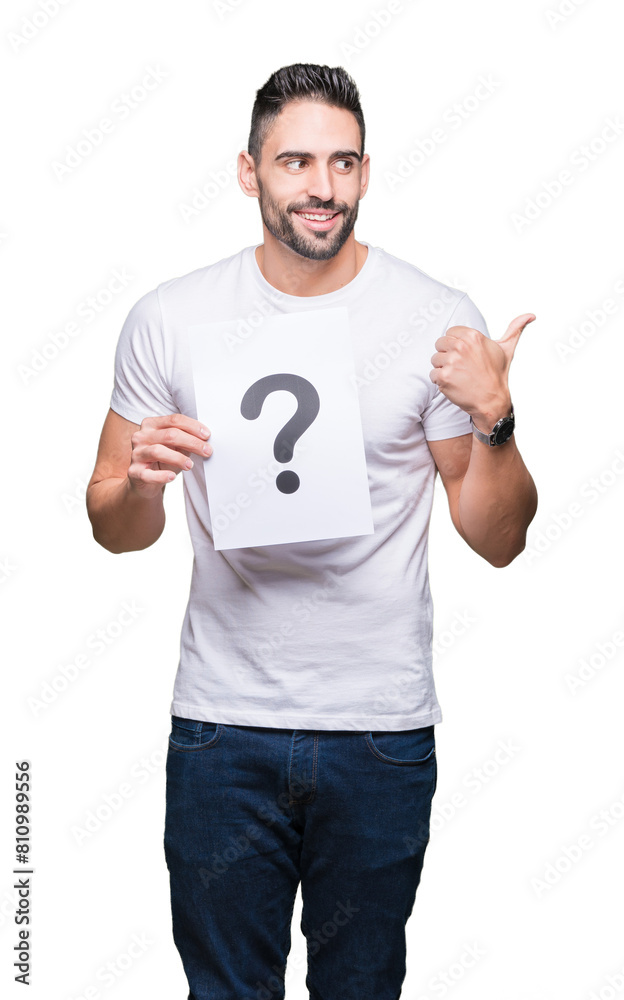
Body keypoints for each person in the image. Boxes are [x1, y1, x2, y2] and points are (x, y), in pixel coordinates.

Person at [87, 63, 537, 1000]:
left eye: (343, 163)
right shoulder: (171, 318)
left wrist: (495, 420)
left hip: (378, 732)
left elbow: (499, 540)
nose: (321, 187)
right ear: (249, 172)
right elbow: (114, 528)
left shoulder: (436, 319)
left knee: (363, 988)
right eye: (295, 161)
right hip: (224, 728)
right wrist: (138, 482)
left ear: (366, 172)